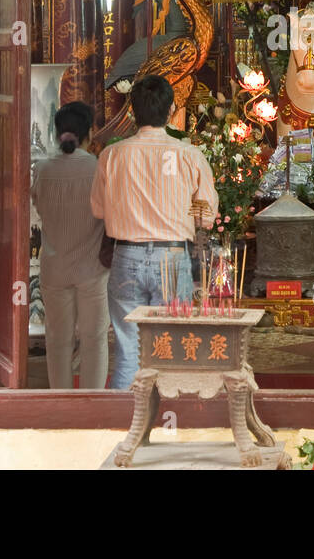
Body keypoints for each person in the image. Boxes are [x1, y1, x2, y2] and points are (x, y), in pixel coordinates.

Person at [91, 75, 218, 390]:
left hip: (126, 256)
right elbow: (206, 217)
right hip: (172, 258)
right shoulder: (189, 156)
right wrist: (178, 212)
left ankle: (122, 428)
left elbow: (98, 210)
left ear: (133, 112)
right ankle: (168, 427)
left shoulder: (112, 155)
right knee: (173, 351)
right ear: (173, 109)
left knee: (128, 353)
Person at [30, 101, 109, 390]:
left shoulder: (42, 169)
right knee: (94, 340)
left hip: (54, 269)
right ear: (89, 133)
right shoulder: (98, 168)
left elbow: (38, 206)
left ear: (57, 133)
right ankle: (92, 402)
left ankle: (60, 402)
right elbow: (107, 212)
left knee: (57, 341)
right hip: (92, 269)